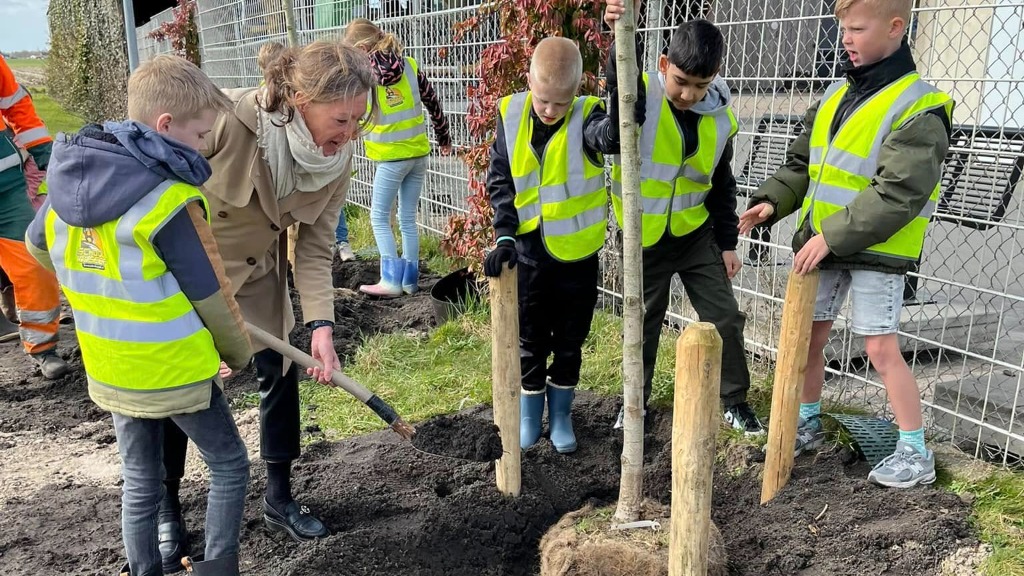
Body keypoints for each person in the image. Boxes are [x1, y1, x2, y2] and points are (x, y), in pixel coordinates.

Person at [24, 54, 253, 576]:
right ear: (165, 127)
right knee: (229, 464)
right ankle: (219, 570)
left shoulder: (67, 186)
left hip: (113, 366)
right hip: (173, 368)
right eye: (199, 135)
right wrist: (237, 351)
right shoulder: (167, 200)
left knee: (141, 476)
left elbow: (40, 248)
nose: (202, 146)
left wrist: (99, 283)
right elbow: (210, 294)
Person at [158, 40, 379, 564]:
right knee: (183, 386)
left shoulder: (337, 159)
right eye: (341, 119)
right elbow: (165, 194)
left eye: (358, 121)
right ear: (301, 99)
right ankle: (166, 507)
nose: (349, 135)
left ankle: (279, 497)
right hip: (194, 280)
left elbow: (317, 246)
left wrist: (321, 326)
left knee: (279, 373)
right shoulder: (228, 124)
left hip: (259, 275)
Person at [740, 0, 952, 488]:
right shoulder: (837, 95)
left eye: (858, 28)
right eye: (843, 29)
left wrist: (830, 236)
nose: (846, 39)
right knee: (810, 337)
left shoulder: (919, 106)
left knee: (879, 346)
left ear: (896, 27)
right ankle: (807, 422)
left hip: (876, 248)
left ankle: (915, 452)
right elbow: (802, 164)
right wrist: (772, 202)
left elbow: (899, 193)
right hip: (824, 242)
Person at [604, 1, 764, 435]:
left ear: (715, 77)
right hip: (644, 235)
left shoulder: (721, 119)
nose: (689, 94)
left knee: (726, 317)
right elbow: (617, 78)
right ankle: (633, 402)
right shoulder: (640, 96)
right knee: (643, 322)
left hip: (696, 237)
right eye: (680, 81)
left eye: (700, 84)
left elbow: (722, 183)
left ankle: (734, 401)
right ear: (663, 64)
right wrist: (621, 26)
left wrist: (728, 243)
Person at [482, 37, 621, 453]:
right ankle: (529, 416)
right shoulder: (510, 117)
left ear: (576, 91)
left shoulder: (588, 118)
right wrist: (504, 235)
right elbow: (501, 182)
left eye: (560, 103)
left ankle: (560, 416)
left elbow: (613, 137)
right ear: (529, 81)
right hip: (528, 257)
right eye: (543, 100)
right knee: (530, 339)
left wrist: (619, 70)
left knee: (569, 340)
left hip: (577, 257)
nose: (549, 110)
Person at [344, 19, 452, 297]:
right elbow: (433, 103)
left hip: (391, 158)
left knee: (379, 217)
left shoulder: (364, 76)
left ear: (362, 47)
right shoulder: (411, 66)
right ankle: (410, 281)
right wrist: (444, 139)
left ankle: (390, 280)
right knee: (407, 219)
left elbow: (358, 113)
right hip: (418, 154)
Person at [0, 54, 69, 377]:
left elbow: (16, 107)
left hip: (6, 188)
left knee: (34, 265)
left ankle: (44, 349)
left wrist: (44, 153)